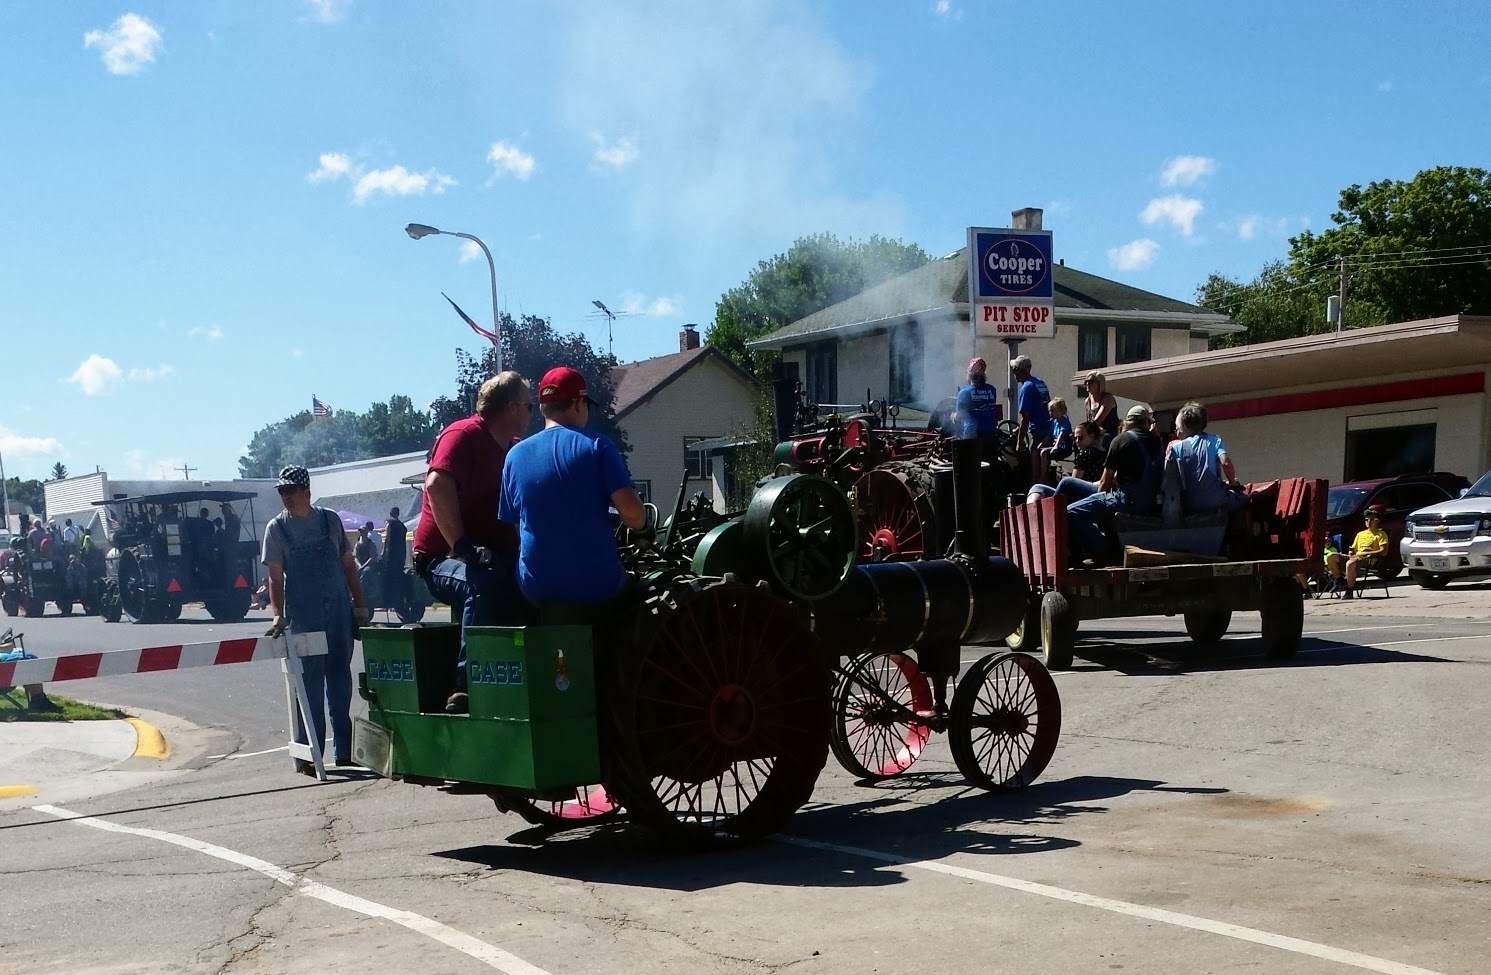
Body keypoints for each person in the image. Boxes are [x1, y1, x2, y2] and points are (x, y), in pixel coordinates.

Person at [413, 371, 532, 713]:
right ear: (511, 408)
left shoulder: (512, 449)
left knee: (532, 586)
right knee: (483, 584)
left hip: (492, 554)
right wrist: (462, 547)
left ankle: (522, 674)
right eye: (527, 405)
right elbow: (437, 485)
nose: (531, 412)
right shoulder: (462, 435)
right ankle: (464, 685)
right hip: (440, 558)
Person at [500, 365, 647, 615]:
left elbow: (516, 525)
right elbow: (633, 515)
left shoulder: (514, 456)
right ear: (579, 403)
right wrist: (644, 528)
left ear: (543, 407)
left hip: (537, 590)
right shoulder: (597, 446)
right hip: (597, 588)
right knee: (639, 590)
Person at [261, 464, 368, 773]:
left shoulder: (329, 521)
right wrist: (279, 616)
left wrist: (359, 608)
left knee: (339, 681)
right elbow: (275, 578)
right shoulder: (276, 529)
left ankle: (345, 752)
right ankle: (311, 755)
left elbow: (349, 567)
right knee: (307, 686)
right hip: (303, 617)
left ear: (307, 491)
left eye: (291, 490)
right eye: (282, 491)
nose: (286, 497)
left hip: (337, 614)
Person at [1064, 404, 1165, 565]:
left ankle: (1102, 550)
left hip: (1127, 502)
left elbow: (1105, 483)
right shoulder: (1158, 443)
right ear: (1146, 423)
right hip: (1152, 503)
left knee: (1069, 512)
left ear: (1128, 422)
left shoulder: (1120, 441)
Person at [1165, 402, 1246, 514]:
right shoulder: (1214, 441)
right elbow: (1225, 462)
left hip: (1189, 504)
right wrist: (1232, 482)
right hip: (1216, 501)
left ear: (1184, 426)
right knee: (1244, 499)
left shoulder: (1175, 447)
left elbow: (1169, 477)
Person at [1026, 420, 1105, 505]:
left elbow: (1074, 481)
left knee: (1038, 487)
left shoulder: (1085, 454)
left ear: (1092, 436)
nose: (1077, 441)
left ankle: (1046, 511)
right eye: (1075, 438)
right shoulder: (1105, 453)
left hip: (1081, 495)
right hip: (1096, 491)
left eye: (1081, 437)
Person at [1328, 504, 1389, 600]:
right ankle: (1340, 581)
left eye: (1371, 519)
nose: (1368, 522)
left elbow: (1383, 551)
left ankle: (1349, 590)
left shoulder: (1381, 534)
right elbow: (1353, 548)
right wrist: (1351, 551)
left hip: (1368, 559)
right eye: (1366, 520)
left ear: (1377, 521)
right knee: (1330, 556)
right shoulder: (1360, 534)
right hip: (1355, 557)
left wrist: (1366, 554)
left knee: (1350, 563)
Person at [1011, 355, 1052, 483]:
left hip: (1038, 432)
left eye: (1014, 369)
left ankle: (1036, 491)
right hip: (1049, 430)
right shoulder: (1040, 383)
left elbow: (1025, 418)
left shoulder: (1026, 387)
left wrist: (1018, 443)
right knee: (1044, 467)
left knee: (1035, 468)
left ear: (1020, 371)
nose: (1013, 373)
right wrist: (1019, 429)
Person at [954, 357, 1000, 457]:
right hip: (990, 433)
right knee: (989, 463)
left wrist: (952, 417)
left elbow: (959, 416)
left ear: (970, 374)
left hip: (972, 434)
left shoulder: (964, 392)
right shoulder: (992, 390)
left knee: (971, 465)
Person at [1083, 371, 1121, 446]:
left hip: (1110, 434)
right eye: (1086, 382)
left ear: (1100, 383)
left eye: (1090, 381)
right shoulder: (1087, 401)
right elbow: (1088, 422)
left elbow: (1097, 421)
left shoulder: (1108, 398)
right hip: (1095, 433)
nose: (1087, 384)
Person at [383, 506, 408, 609]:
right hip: (401, 554)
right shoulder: (403, 526)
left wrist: (383, 551)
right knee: (398, 576)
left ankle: (390, 599)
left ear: (391, 513)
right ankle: (399, 598)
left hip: (392, 554)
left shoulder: (389, 523)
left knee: (390, 576)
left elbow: (387, 538)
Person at [1040, 397, 1074, 472]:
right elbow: (1049, 435)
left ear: (1060, 411)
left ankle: (1042, 477)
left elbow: (1061, 435)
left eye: (1052, 411)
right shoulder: (1054, 422)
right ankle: (1047, 472)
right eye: (1049, 411)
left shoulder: (1065, 422)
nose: (1050, 413)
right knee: (1039, 451)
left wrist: (1056, 446)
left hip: (1064, 448)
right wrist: (1042, 444)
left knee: (1044, 453)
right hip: (1057, 446)